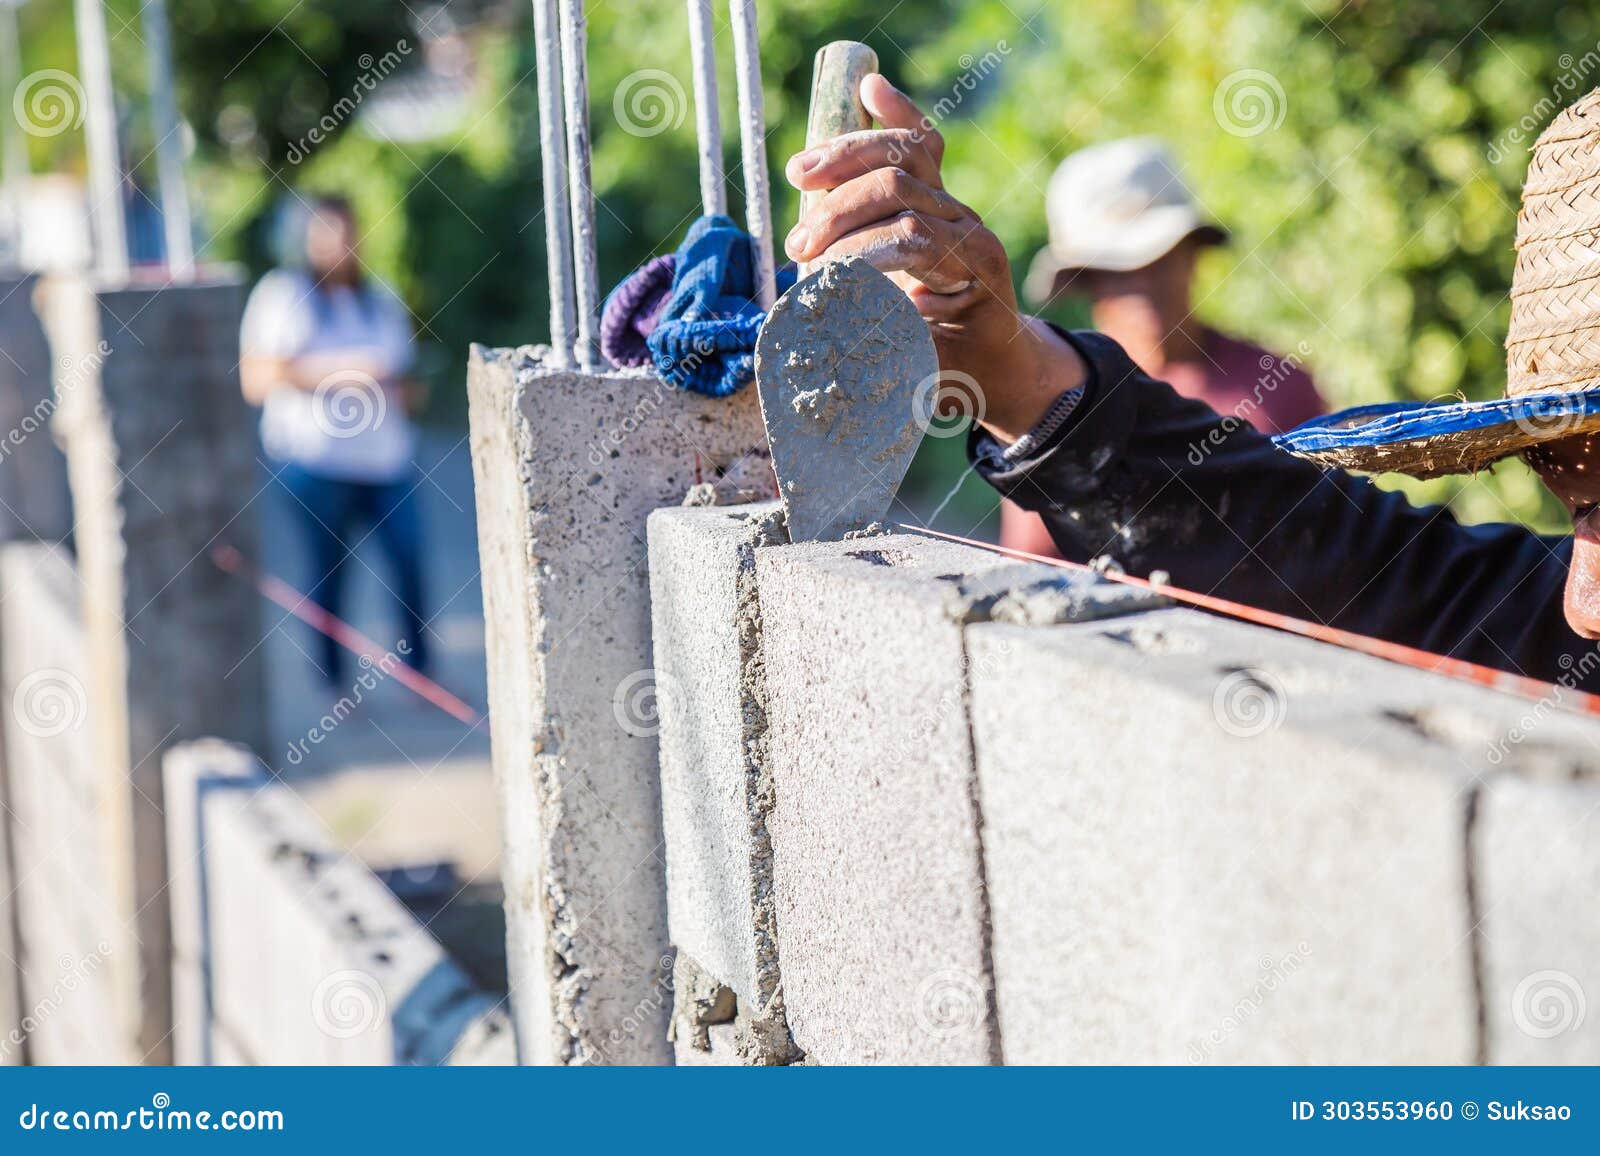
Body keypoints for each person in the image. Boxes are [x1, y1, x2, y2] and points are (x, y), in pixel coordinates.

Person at [781, 76, 1600, 689]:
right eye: (1580, 507)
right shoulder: (1547, 624)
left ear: (1193, 255)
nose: (1584, 603)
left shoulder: (1273, 382)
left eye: (1158, 262)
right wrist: (1009, 371)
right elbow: (1337, 562)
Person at [1002, 138, 1325, 556]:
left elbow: (1329, 553)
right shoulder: (1057, 417)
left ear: (1193, 254)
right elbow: (1032, 569)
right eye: (1117, 269)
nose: (1142, 284)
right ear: (1087, 281)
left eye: (1158, 260)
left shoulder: (1279, 389)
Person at [240, 195, 429, 684]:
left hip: (386, 461)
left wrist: (396, 386)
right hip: (314, 464)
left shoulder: (380, 298)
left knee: (410, 566)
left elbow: (408, 379)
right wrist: (349, 374)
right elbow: (258, 379)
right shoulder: (282, 294)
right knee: (329, 578)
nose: (339, 246)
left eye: (347, 233)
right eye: (327, 233)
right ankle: (333, 683)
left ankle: (421, 673)